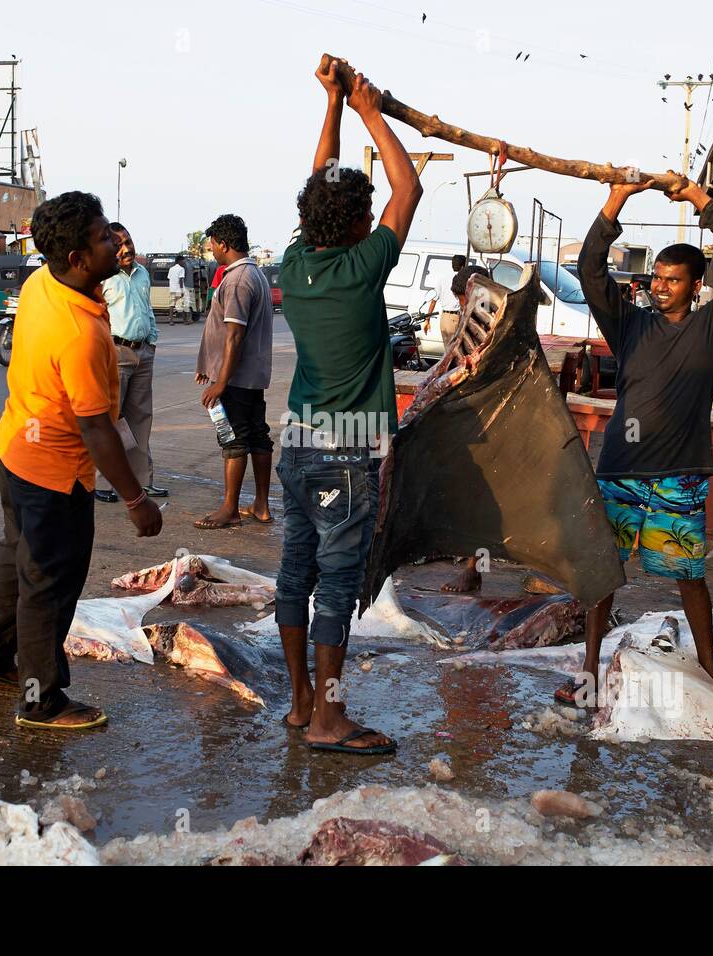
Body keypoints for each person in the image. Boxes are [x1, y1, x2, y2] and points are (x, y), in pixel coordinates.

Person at [0, 192, 163, 730]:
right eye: (104, 237)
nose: (115, 241)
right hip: (53, 472)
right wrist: (136, 499)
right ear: (76, 257)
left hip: (14, 447)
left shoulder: (43, 282)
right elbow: (96, 428)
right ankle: (41, 700)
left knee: (16, 556)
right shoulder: (77, 332)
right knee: (48, 586)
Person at [557, 173, 713, 707]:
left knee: (689, 577)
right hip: (621, 470)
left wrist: (695, 196)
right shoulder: (629, 325)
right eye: (657, 278)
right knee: (603, 575)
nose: (660, 285)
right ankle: (589, 673)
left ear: (696, 286)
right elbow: (590, 270)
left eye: (672, 279)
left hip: (681, 475)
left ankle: (709, 668)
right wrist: (616, 199)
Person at [274, 59, 422, 755]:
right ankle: (330, 722)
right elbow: (409, 186)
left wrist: (332, 102)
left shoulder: (296, 262)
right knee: (334, 586)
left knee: (295, 575)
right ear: (361, 223)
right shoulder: (365, 267)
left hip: (297, 445)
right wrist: (369, 108)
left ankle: (303, 703)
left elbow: (323, 177)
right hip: (345, 450)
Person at [194, 214, 275, 530]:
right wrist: (210, 368)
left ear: (223, 244)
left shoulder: (238, 280)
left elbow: (234, 335)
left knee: (233, 439)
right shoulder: (254, 275)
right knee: (257, 436)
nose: (211, 249)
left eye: (213, 243)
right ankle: (261, 506)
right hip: (250, 377)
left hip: (237, 379)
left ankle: (229, 508)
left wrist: (221, 381)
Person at [95, 223, 169, 502]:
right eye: (118, 244)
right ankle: (101, 483)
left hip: (143, 353)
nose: (126, 249)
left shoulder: (142, 274)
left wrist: (151, 340)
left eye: (128, 242)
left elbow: (147, 310)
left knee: (140, 418)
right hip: (115, 353)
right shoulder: (103, 279)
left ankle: (142, 480)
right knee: (110, 419)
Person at [437, 264, 494, 595]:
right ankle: (473, 567)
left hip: (484, 422)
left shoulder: (486, 322)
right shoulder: (478, 319)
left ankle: (475, 571)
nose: (461, 308)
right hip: (475, 420)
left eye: (463, 301)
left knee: (479, 501)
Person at [423, 253, 467, 340]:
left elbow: (433, 301)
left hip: (444, 319)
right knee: (455, 350)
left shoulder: (442, 279)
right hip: (455, 318)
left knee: (447, 349)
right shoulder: (462, 280)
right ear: (462, 266)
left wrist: (427, 320)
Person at [167, 255, 190, 325]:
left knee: (171, 305)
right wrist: (182, 290)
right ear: (179, 261)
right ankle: (185, 320)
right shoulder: (181, 269)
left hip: (172, 289)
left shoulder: (171, 269)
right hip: (178, 290)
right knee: (182, 305)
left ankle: (171, 321)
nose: (184, 262)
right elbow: (180, 280)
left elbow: (169, 278)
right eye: (183, 261)